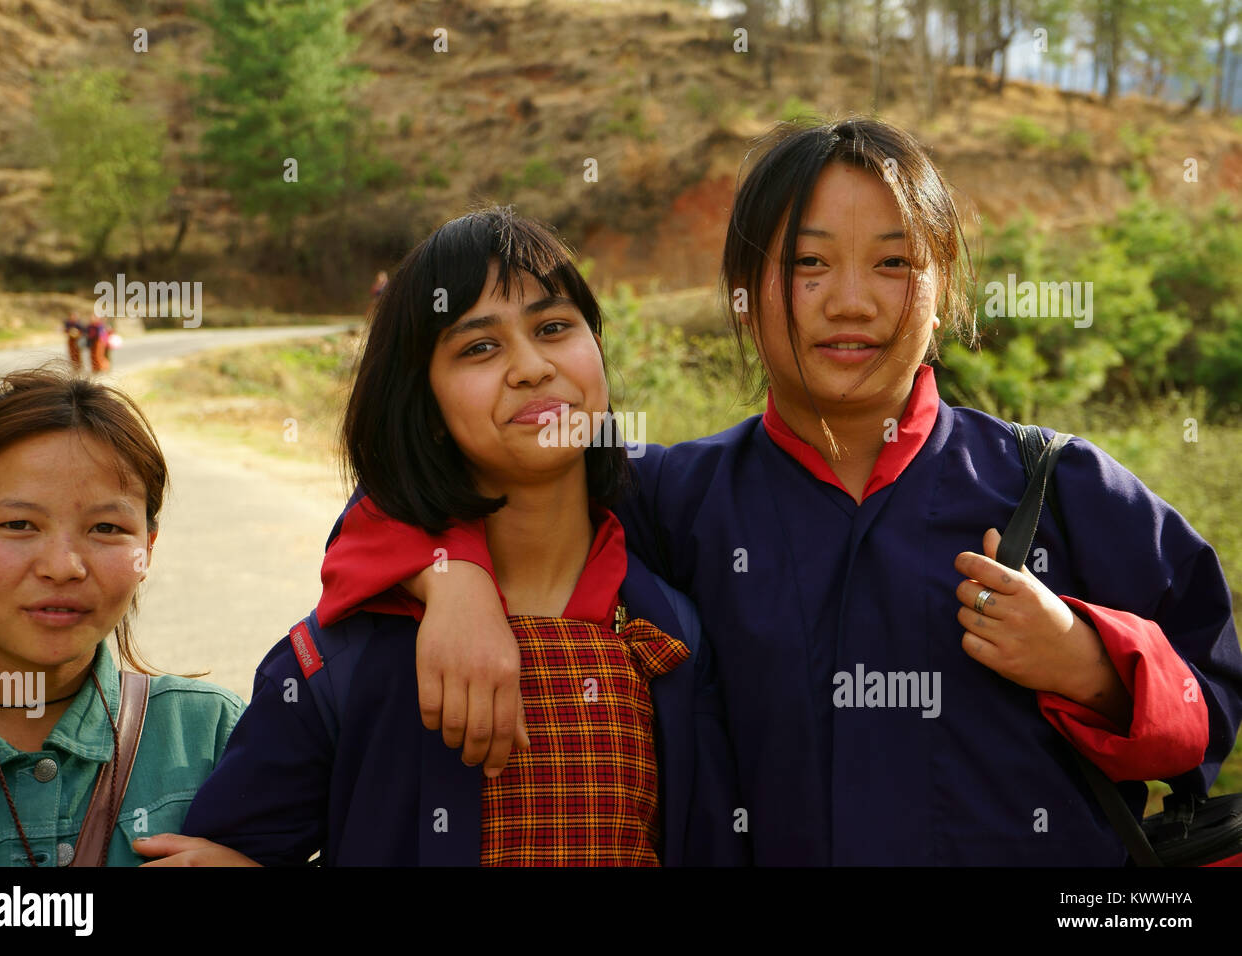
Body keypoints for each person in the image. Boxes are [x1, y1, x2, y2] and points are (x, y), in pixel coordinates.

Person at [316, 118, 1242, 865]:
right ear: (743, 295)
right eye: (808, 263)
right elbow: (433, 491)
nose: (851, 301)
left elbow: (1213, 707)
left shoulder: (1056, 482)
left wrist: (1090, 661)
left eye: (893, 262)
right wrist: (454, 576)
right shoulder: (672, 498)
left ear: (943, 287)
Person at [157, 208, 745, 866]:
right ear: (426, 411)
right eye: (479, 348)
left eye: (554, 328)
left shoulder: (673, 638)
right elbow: (227, 850)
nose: (530, 367)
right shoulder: (341, 660)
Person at [0, 367, 245, 866]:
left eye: (105, 527)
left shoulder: (209, 734)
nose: (63, 567)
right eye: (18, 524)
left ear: (146, 550)